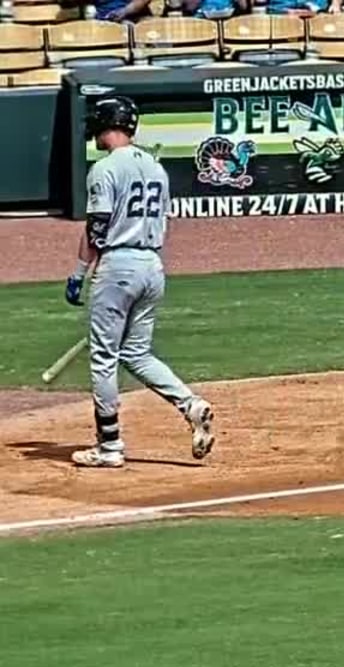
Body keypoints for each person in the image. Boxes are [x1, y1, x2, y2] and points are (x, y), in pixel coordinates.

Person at [68, 96, 216, 469]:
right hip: (152, 265)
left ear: (105, 124)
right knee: (135, 352)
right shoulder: (155, 167)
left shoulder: (104, 170)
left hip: (118, 266)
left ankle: (109, 446)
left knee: (104, 358)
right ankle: (190, 404)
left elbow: (97, 227)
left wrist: (78, 272)